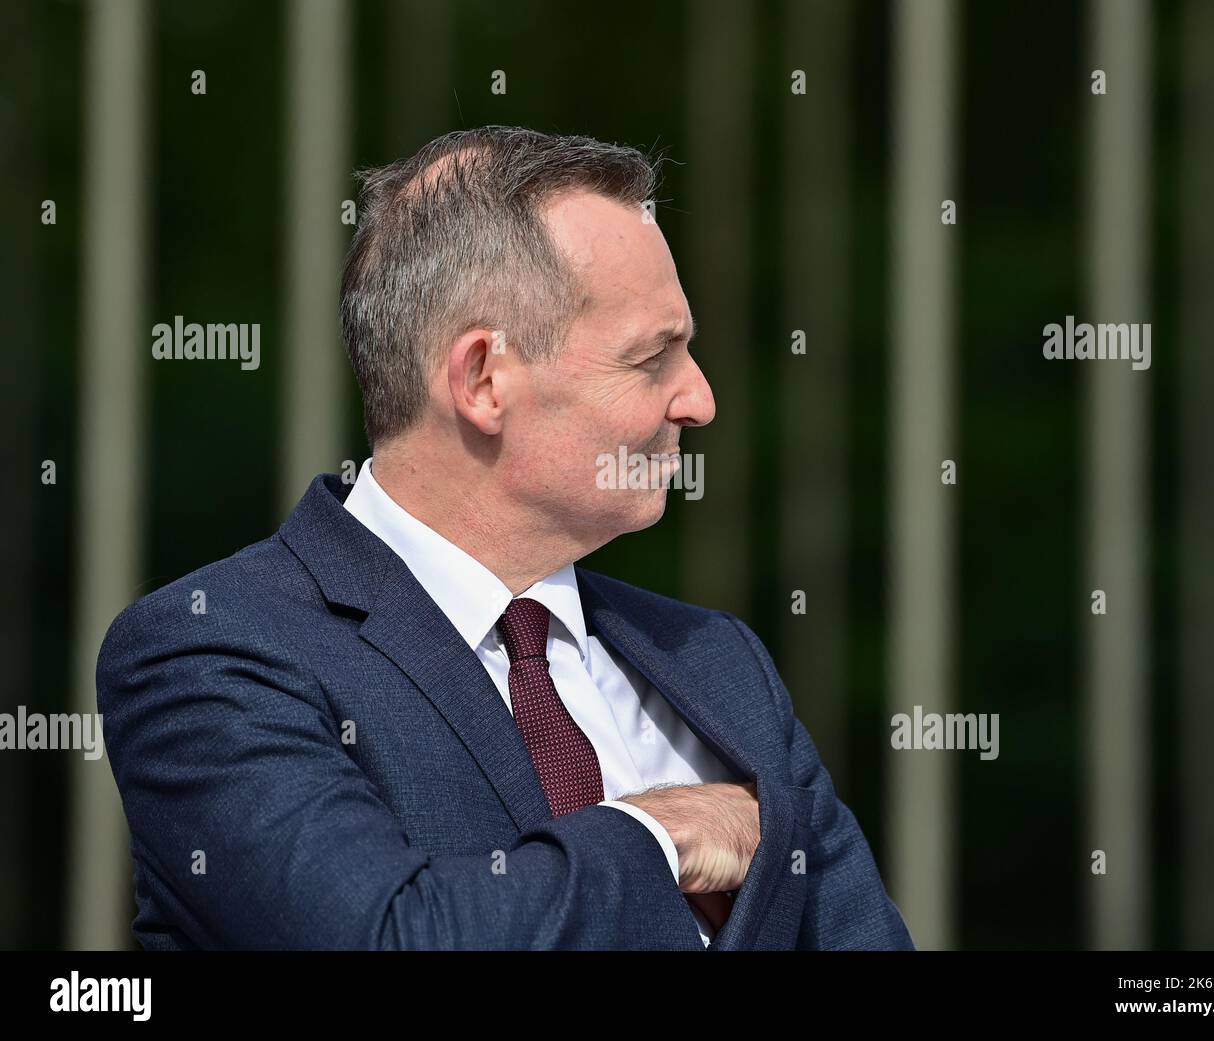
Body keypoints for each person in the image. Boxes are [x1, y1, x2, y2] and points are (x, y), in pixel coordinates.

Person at [96, 126, 914, 950]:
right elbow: (384, 938)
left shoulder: (719, 664)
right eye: (651, 357)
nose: (698, 400)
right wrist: (656, 835)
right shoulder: (211, 652)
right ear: (483, 379)